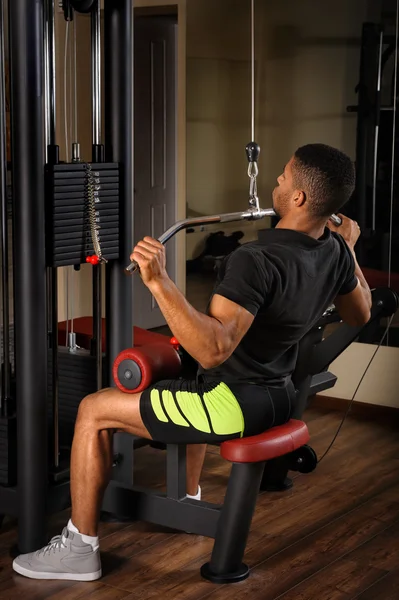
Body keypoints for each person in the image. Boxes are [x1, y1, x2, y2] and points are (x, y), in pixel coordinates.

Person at [12, 143, 372, 581]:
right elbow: (361, 314)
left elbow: (213, 349)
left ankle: (78, 548)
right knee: (191, 379)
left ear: (298, 198)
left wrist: (159, 280)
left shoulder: (253, 260)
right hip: (278, 397)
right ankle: (188, 501)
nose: (275, 182)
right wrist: (350, 248)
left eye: (282, 177)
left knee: (93, 410)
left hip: (232, 404)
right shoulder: (333, 251)